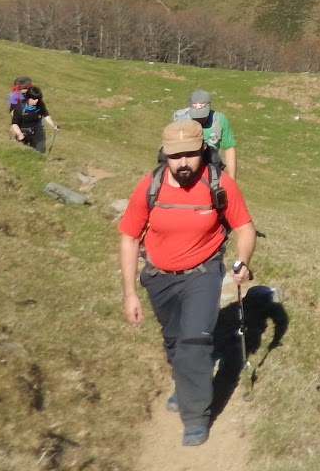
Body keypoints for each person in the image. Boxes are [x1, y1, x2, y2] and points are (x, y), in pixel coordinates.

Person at [118, 119, 256, 448]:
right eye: (175, 156)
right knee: (175, 341)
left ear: (203, 151)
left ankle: (195, 415)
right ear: (164, 154)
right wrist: (129, 294)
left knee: (194, 341)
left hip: (202, 274)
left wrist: (243, 260)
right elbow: (128, 238)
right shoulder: (149, 186)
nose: (182, 163)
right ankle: (185, 383)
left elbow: (245, 228)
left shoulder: (218, 184)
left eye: (190, 155)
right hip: (158, 278)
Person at [173, 88, 237, 175]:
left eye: (202, 115)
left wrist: (232, 179)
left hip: (212, 165)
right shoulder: (180, 120)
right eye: (195, 115)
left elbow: (229, 148)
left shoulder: (219, 121)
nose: (199, 119)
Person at [9, 82, 58, 152]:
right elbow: (14, 123)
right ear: (29, 98)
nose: (36, 101)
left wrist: (53, 125)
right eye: (34, 99)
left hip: (37, 130)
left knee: (40, 150)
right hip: (23, 131)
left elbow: (46, 114)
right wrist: (19, 134)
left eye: (38, 99)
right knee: (24, 151)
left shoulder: (40, 104)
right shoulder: (19, 107)